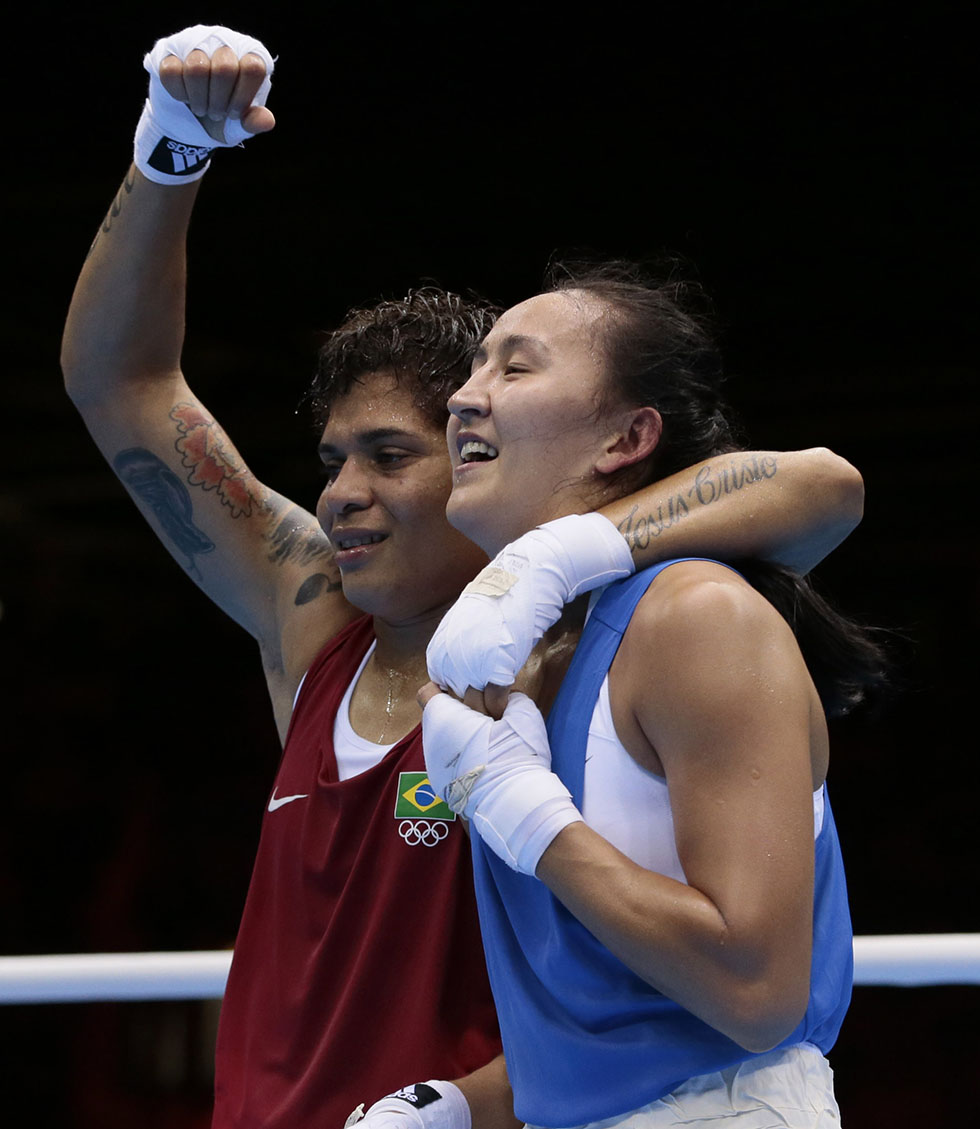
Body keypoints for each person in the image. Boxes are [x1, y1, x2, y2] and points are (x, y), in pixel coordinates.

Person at [60, 26, 866, 1129]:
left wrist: (554, 555)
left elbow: (818, 486)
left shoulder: (608, 634)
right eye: (332, 460)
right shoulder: (317, 625)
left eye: (392, 456)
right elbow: (123, 384)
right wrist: (169, 155)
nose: (341, 493)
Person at [421, 265, 887, 1128]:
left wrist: (531, 821)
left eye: (514, 368)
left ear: (626, 438)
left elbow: (756, 993)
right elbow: (620, 1020)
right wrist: (451, 1106)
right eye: (474, 367)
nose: (462, 397)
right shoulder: (517, 655)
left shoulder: (694, 614)